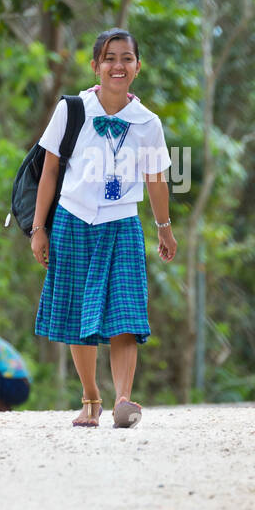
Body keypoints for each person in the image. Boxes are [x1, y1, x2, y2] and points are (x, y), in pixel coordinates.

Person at [31, 27, 176, 428]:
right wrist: (38, 228)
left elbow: (157, 179)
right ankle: (91, 398)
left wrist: (164, 227)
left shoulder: (148, 123)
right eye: (109, 58)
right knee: (78, 312)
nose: (118, 65)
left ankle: (124, 400)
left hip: (123, 223)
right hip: (72, 220)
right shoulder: (72, 110)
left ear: (138, 67)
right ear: (95, 66)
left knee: (125, 313)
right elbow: (50, 170)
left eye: (126, 58)